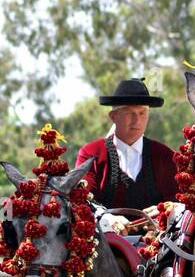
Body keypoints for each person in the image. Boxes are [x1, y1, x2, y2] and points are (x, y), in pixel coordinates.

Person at [75, 77, 177, 212]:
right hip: (102, 232)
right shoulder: (91, 154)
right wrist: (105, 219)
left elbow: (179, 200)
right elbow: (81, 199)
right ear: (113, 116)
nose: (137, 120)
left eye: (142, 113)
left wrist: (165, 210)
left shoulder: (165, 156)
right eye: (130, 113)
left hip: (158, 232)